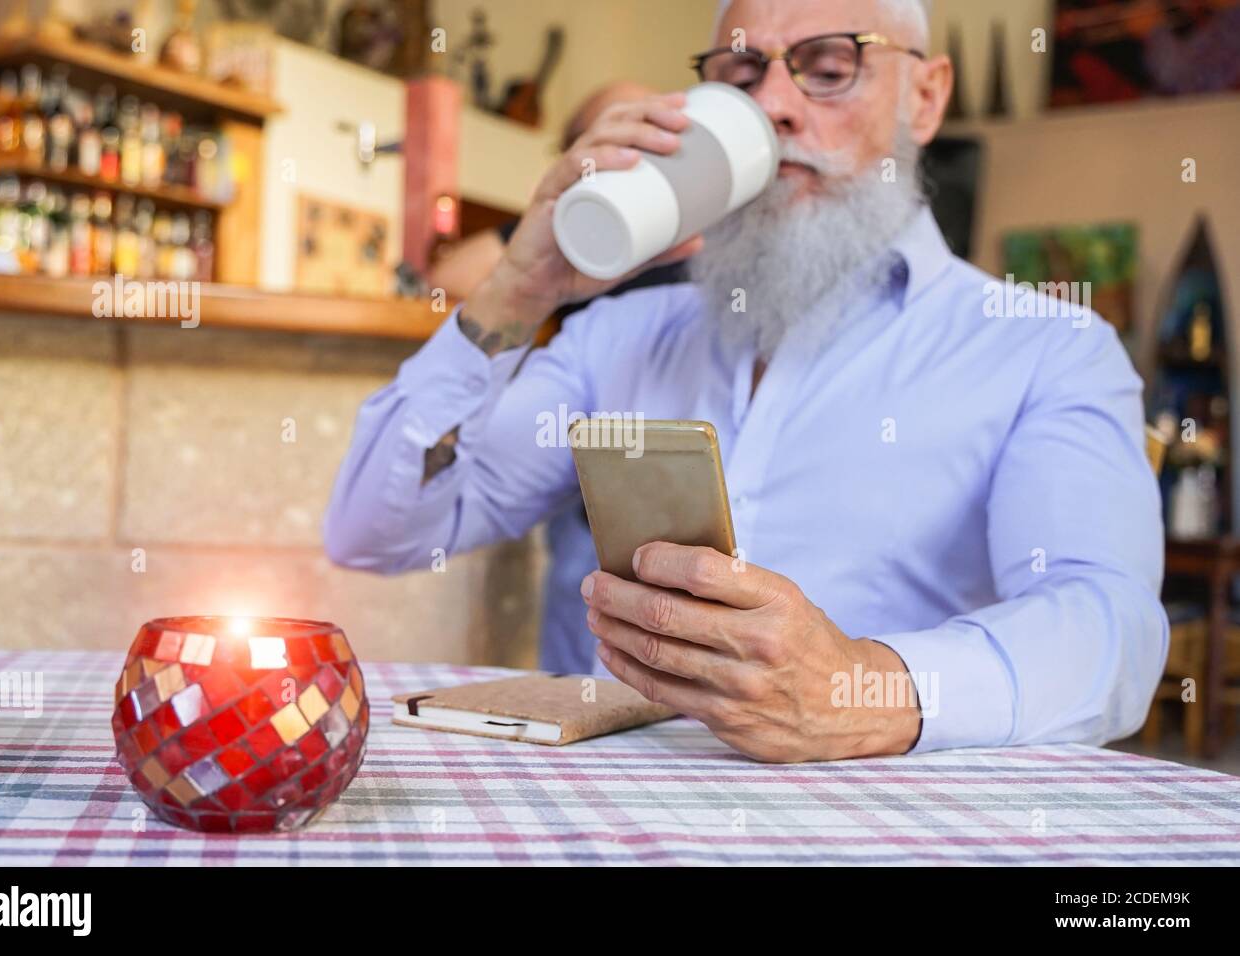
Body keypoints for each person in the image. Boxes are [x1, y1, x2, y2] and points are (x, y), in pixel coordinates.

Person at [325, 0, 1168, 762]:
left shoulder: (1045, 349)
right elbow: (375, 530)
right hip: (619, 820)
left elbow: (1111, 628)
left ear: (925, 95)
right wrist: (521, 284)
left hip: (893, 830)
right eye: (738, 72)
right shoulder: (621, 336)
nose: (773, 105)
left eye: (830, 65)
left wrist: (863, 689)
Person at [428, 81, 690, 675]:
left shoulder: (695, 220)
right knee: (588, 643)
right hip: (592, 482)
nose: (643, 150)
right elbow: (450, 276)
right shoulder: (577, 230)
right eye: (620, 134)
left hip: (695, 471)